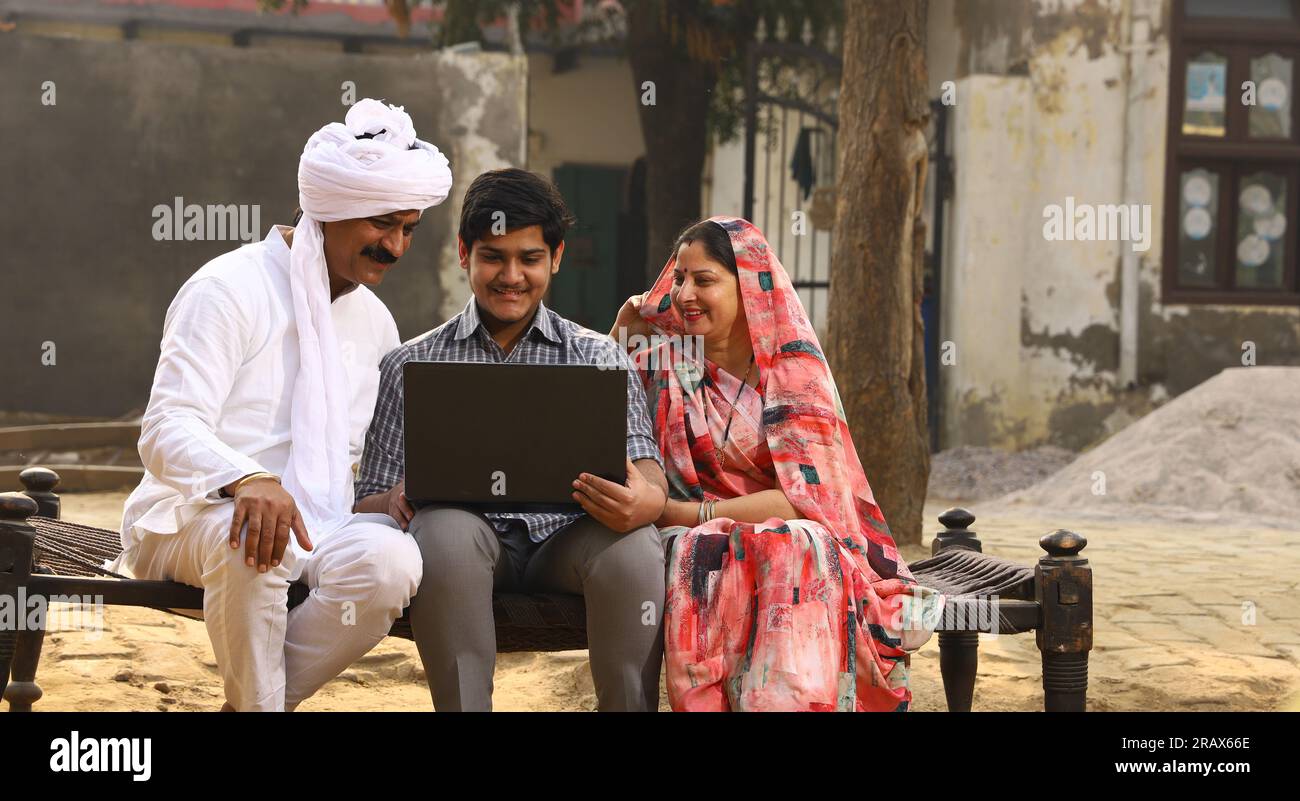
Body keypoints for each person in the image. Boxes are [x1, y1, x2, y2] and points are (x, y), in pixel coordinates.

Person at [116, 100, 453, 711]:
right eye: (383, 224)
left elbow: (355, 471)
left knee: (391, 563)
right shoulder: (228, 289)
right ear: (332, 209)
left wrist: (402, 494)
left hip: (319, 521)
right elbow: (165, 428)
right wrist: (247, 477)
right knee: (255, 536)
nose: (397, 247)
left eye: (409, 229)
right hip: (190, 517)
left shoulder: (375, 322)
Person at [354, 168, 669, 712]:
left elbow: (647, 467)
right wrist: (395, 498)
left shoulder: (597, 356)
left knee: (637, 546)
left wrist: (649, 499)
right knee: (444, 529)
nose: (511, 276)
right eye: (493, 256)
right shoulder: (411, 362)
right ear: (463, 254)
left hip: (570, 541)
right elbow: (368, 498)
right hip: (467, 547)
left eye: (529, 258)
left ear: (557, 258)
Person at [610, 217, 943, 711]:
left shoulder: (793, 373)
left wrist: (686, 514)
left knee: (797, 542)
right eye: (679, 278)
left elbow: (805, 501)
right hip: (678, 540)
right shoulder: (660, 364)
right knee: (716, 549)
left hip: (761, 528)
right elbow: (597, 419)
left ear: (749, 287)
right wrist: (621, 333)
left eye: (704, 280)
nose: (684, 294)